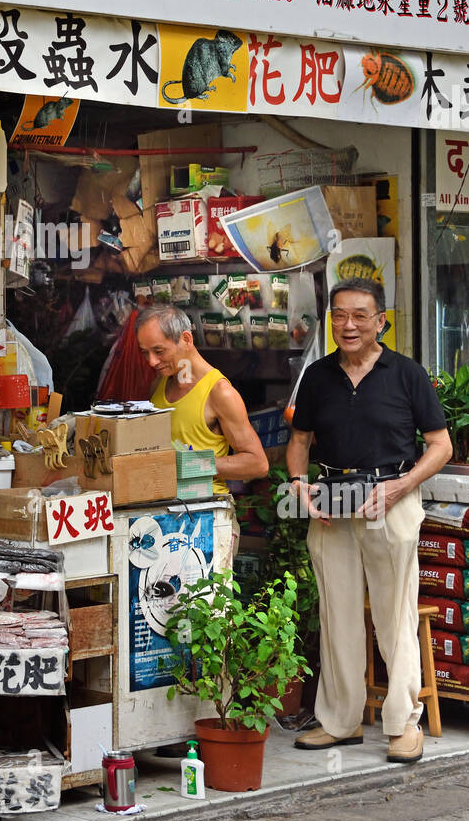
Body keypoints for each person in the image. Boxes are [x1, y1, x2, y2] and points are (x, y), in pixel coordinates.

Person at [286, 278, 452, 765]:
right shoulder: (317, 376)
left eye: (360, 315)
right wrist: (298, 484)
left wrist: (400, 487)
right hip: (333, 506)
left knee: (394, 614)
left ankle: (404, 725)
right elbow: (299, 441)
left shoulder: (407, 374)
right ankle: (340, 720)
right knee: (336, 613)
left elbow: (440, 446)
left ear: (382, 321)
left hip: (393, 499)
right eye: (339, 315)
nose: (349, 325)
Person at [136, 304, 269, 486]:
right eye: (145, 353)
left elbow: (257, 464)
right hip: (161, 506)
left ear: (186, 339)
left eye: (159, 351)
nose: (151, 361)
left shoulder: (220, 393)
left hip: (205, 510)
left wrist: (191, 464)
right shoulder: (157, 386)